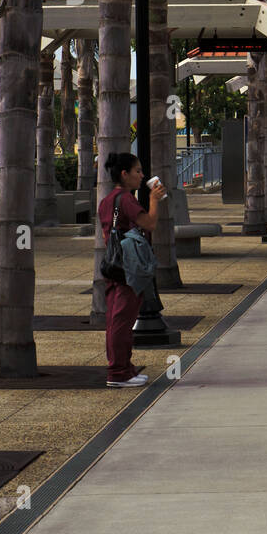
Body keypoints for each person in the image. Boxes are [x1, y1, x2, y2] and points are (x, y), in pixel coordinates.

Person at [98, 153, 166, 388]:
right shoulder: (126, 199)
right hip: (129, 267)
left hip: (114, 264)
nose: (142, 175)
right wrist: (155, 199)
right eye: (137, 171)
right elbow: (150, 224)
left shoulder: (107, 200)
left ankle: (124, 369)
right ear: (124, 174)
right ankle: (118, 372)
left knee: (116, 319)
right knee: (122, 321)